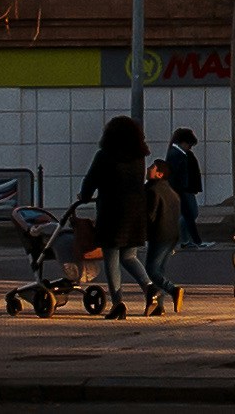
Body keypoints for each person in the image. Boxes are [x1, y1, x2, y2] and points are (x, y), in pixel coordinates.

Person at [69, 114, 152, 321]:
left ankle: (118, 302)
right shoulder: (139, 157)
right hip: (135, 212)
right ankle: (151, 290)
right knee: (129, 256)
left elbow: (91, 179)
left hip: (112, 212)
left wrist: (85, 196)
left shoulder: (104, 155)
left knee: (112, 258)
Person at [137, 159, 185, 314]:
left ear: (159, 174)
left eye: (152, 167)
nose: (148, 169)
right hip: (172, 236)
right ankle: (159, 306)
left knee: (151, 270)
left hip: (159, 235)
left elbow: (149, 216)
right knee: (159, 270)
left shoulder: (152, 190)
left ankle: (173, 289)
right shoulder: (172, 193)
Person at [162, 127, 205, 248]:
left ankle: (187, 240)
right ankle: (186, 240)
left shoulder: (178, 153)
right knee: (190, 214)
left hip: (184, 189)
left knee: (188, 214)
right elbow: (178, 174)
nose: (190, 147)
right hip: (183, 189)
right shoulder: (178, 154)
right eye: (189, 144)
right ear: (183, 142)